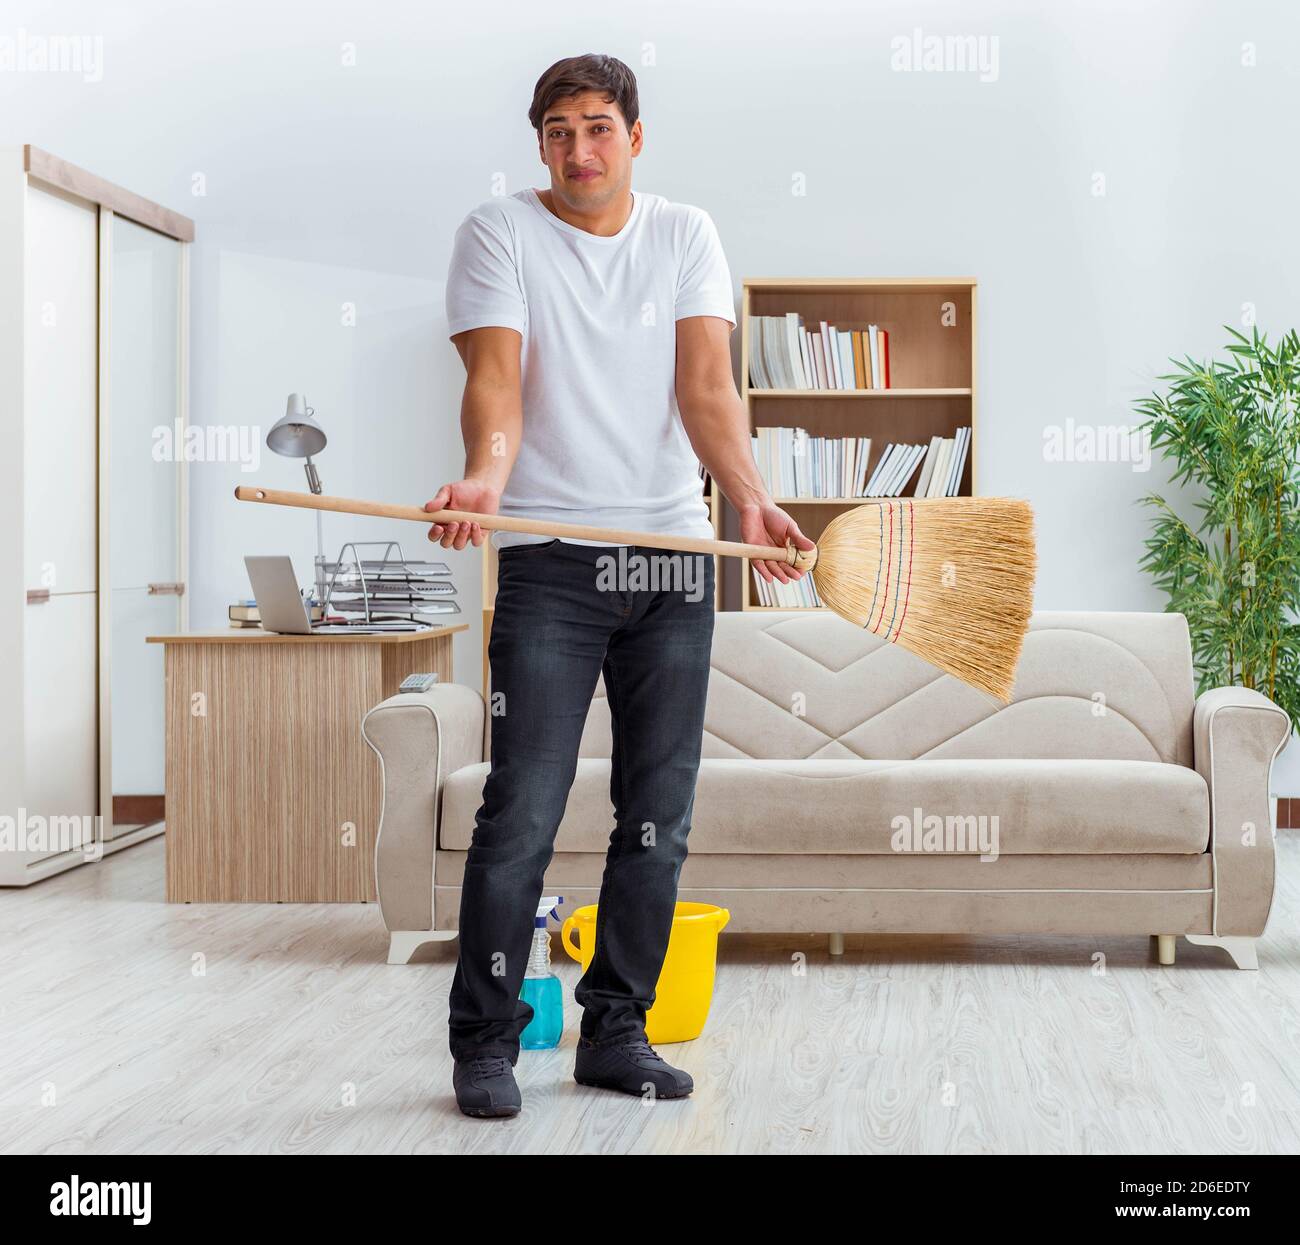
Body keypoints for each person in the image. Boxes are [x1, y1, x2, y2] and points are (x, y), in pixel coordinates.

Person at [430, 52, 813, 1118]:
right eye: (557, 131)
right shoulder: (499, 233)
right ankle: (485, 1044)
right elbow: (496, 382)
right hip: (550, 562)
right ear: (538, 143)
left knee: (658, 815)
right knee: (522, 811)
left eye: (598, 128)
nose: (578, 150)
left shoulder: (684, 234)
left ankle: (617, 1031)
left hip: (674, 561)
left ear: (634, 137)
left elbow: (703, 387)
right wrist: (484, 478)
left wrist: (747, 498)